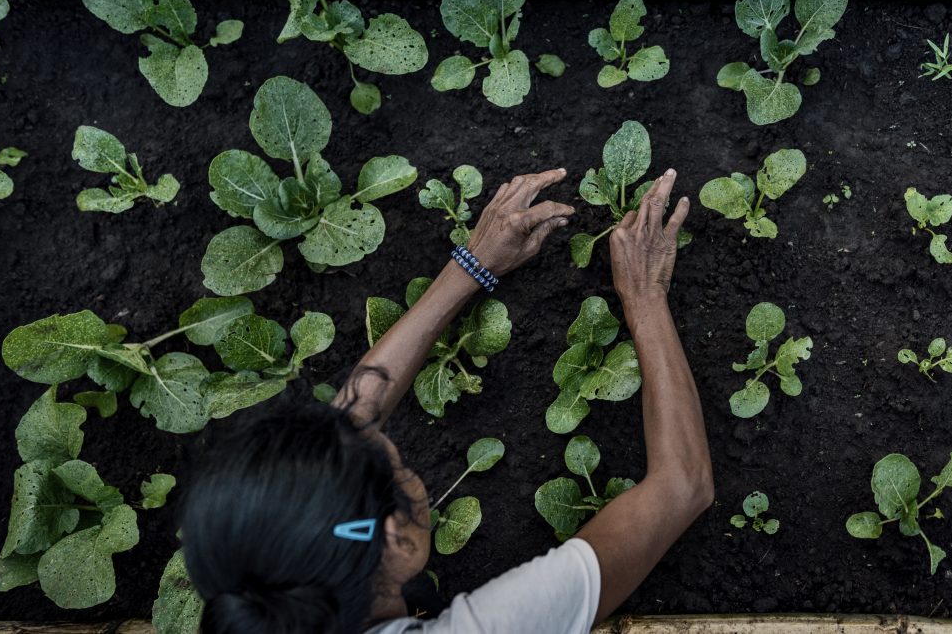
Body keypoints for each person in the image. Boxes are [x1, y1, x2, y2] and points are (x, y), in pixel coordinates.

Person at [180, 167, 714, 634]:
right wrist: (645, 296)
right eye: (396, 465)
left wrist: (472, 264)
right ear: (398, 540)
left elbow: (349, 426)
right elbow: (683, 486)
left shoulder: (250, 597)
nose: (361, 420)